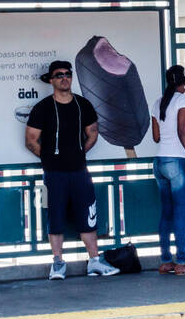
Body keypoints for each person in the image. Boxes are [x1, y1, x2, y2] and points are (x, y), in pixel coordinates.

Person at [25, 60, 119, 280]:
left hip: (80, 171)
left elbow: (92, 134)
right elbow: (30, 140)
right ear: (51, 79)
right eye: (59, 75)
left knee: (88, 216)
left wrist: (76, 154)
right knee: (54, 217)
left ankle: (94, 261)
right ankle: (58, 263)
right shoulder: (43, 107)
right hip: (52, 174)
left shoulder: (83, 105)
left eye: (68, 74)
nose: (64, 78)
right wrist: (51, 158)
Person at [151, 65, 185, 274]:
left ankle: (166, 261)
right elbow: (183, 132)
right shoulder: (183, 100)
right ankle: (182, 262)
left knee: (166, 213)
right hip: (178, 161)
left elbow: (156, 137)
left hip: (160, 161)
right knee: (181, 214)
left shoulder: (157, 103)